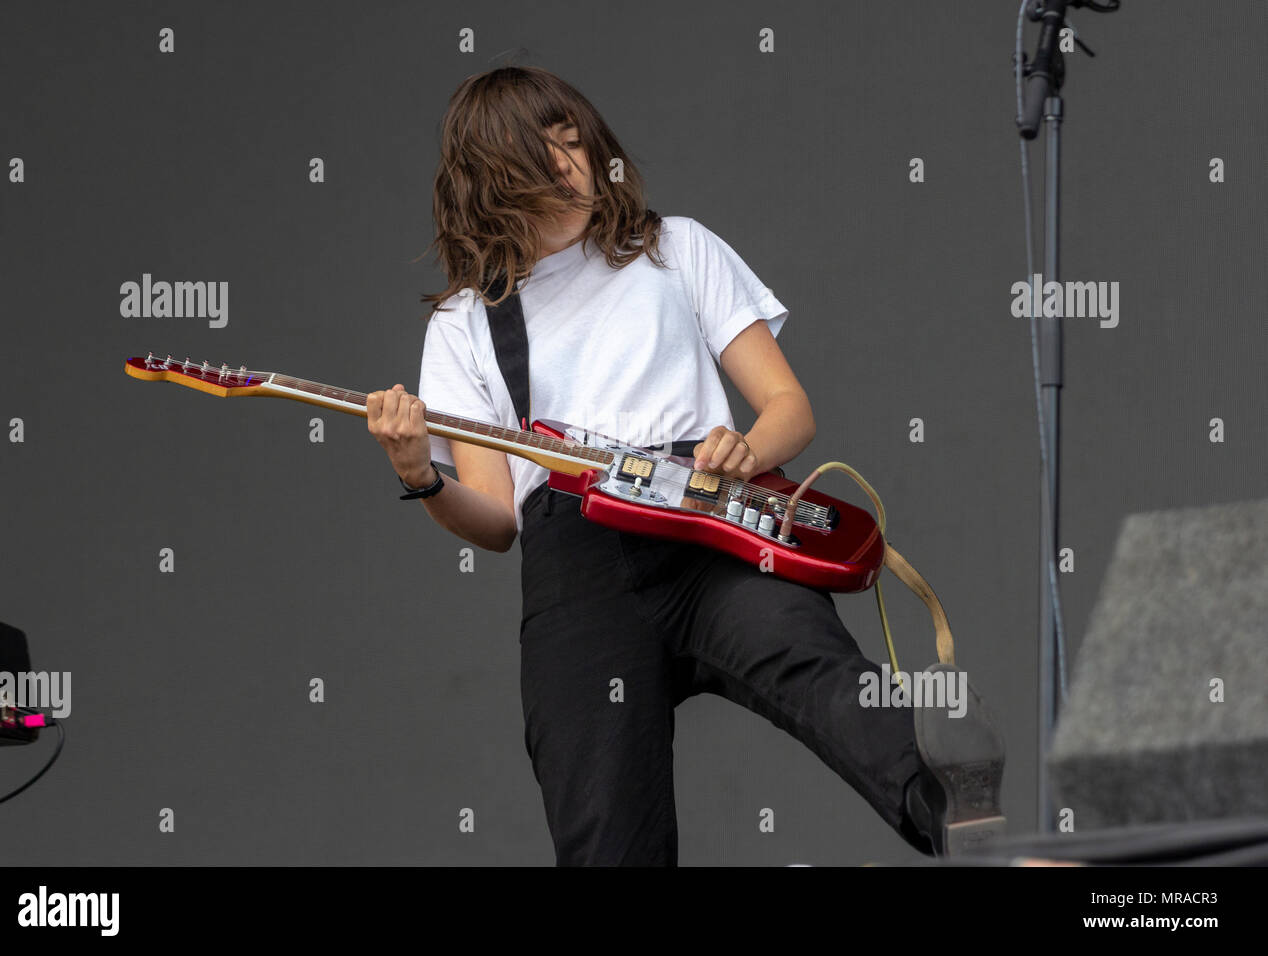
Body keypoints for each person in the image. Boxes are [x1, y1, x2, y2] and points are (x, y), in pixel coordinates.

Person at [366, 65, 1005, 865]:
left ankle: (959, 818)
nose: (575, 164)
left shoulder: (674, 248)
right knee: (603, 828)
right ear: (493, 180)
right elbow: (495, 519)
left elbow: (789, 409)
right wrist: (419, 476)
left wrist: (749, 448)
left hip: (708, 520)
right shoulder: (466, 324)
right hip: (576, 567)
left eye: (577, 142)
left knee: (818, 670)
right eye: (546, 151)